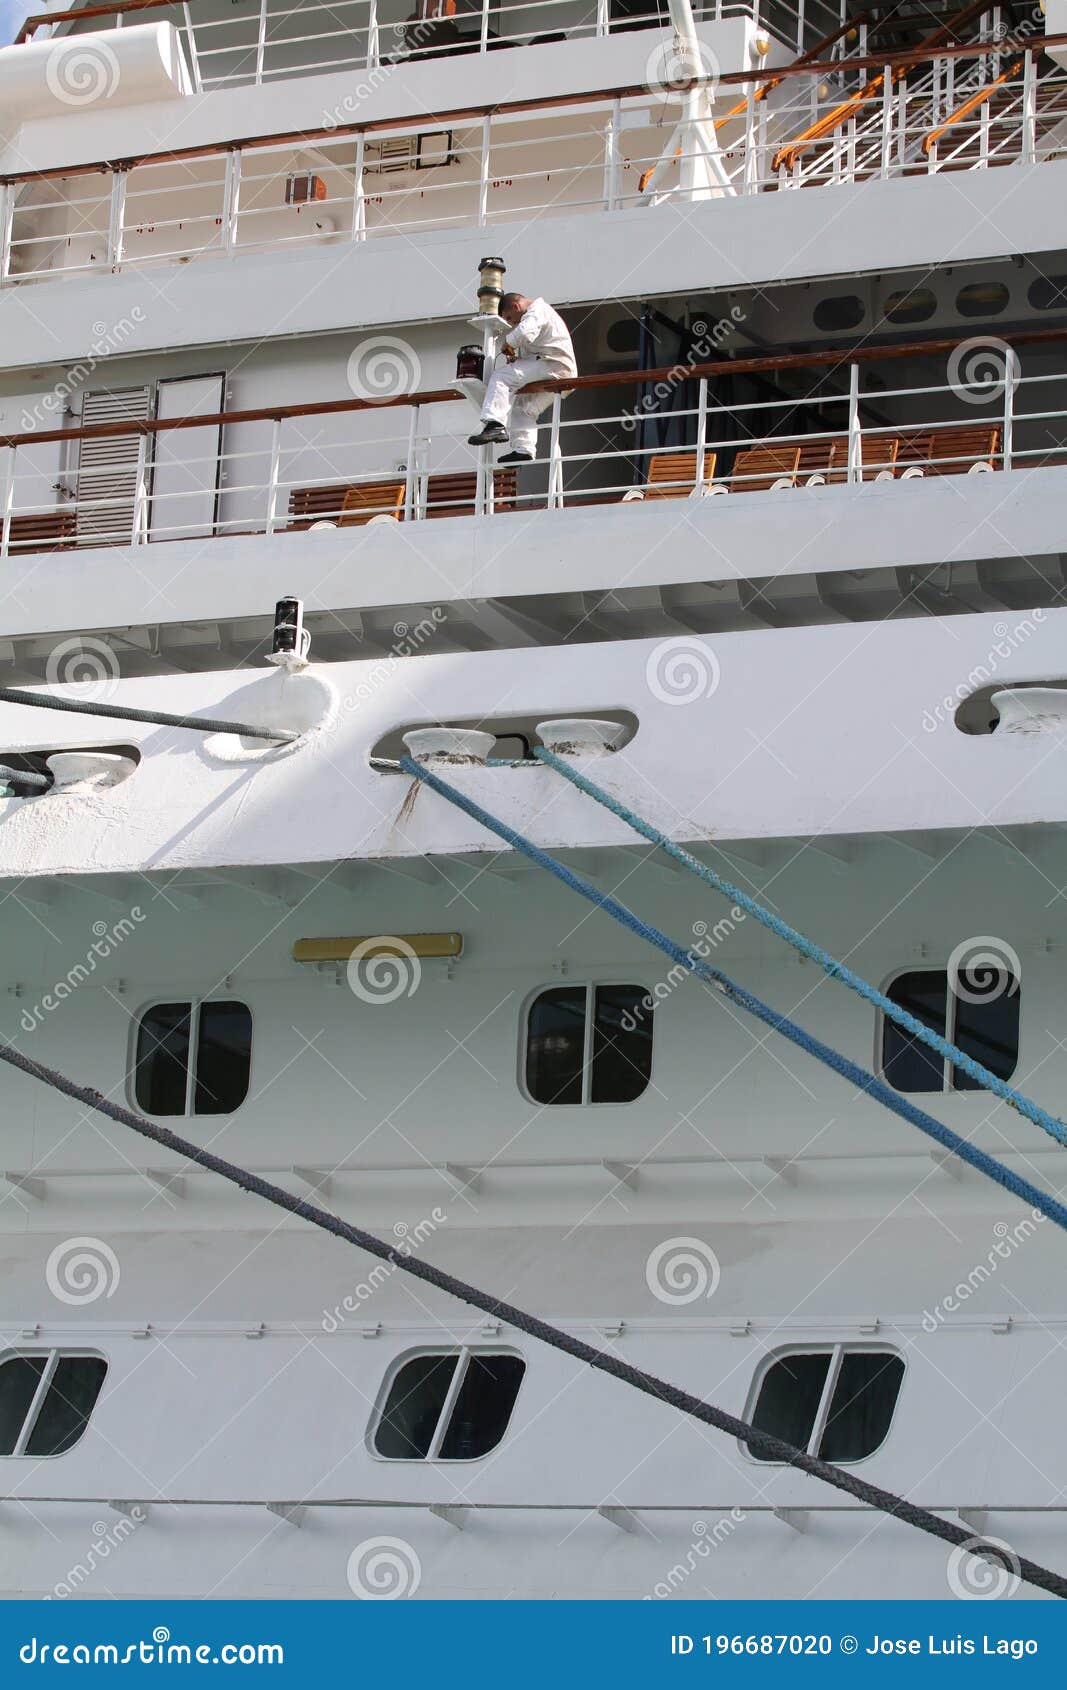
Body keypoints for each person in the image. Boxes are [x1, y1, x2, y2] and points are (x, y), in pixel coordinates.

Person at [468, 292, 577, 462]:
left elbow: (526, 333)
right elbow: (533, 345)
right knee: (523, 405)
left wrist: (508, 343)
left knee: (501, 377)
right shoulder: (537, 314)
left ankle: (494, 423)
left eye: (510, 318)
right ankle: (523, 449)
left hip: (553, 363)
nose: (512, 323)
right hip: (557, 369)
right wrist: (518, 359)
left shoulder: (537, 310)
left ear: (516, 306)